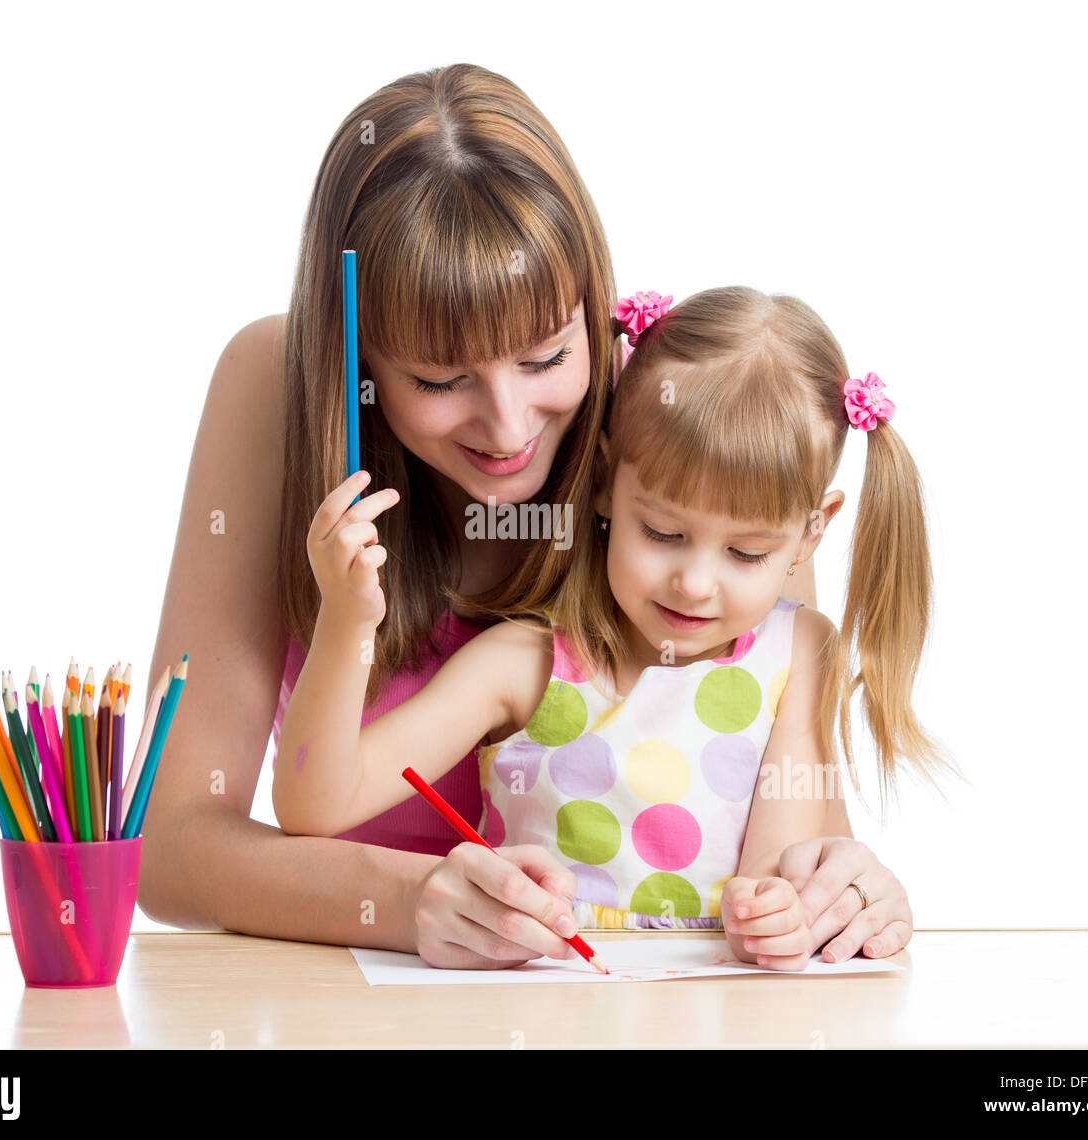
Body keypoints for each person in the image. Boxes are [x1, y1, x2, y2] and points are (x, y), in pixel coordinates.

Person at [137, 62, 917, 970]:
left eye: (547, 357)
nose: (509, 429)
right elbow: (170, 848)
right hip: (367, 1000)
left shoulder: (681, 421)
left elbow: (784, 815)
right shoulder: (277, 388)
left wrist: (839, 888)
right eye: (440, 378)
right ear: (354, 356)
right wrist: (405, 900)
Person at [275, 286, 960, 970]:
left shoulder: (799, 653)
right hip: (534, 1004)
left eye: (746, 552)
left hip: (719, 1015)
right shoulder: (523, 662)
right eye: (662, 532)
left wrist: (784, 915)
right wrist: (346, 620)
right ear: (603, 478)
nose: (695, 582)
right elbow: (316, 803)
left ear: (812, 533)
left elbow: (775, 878)